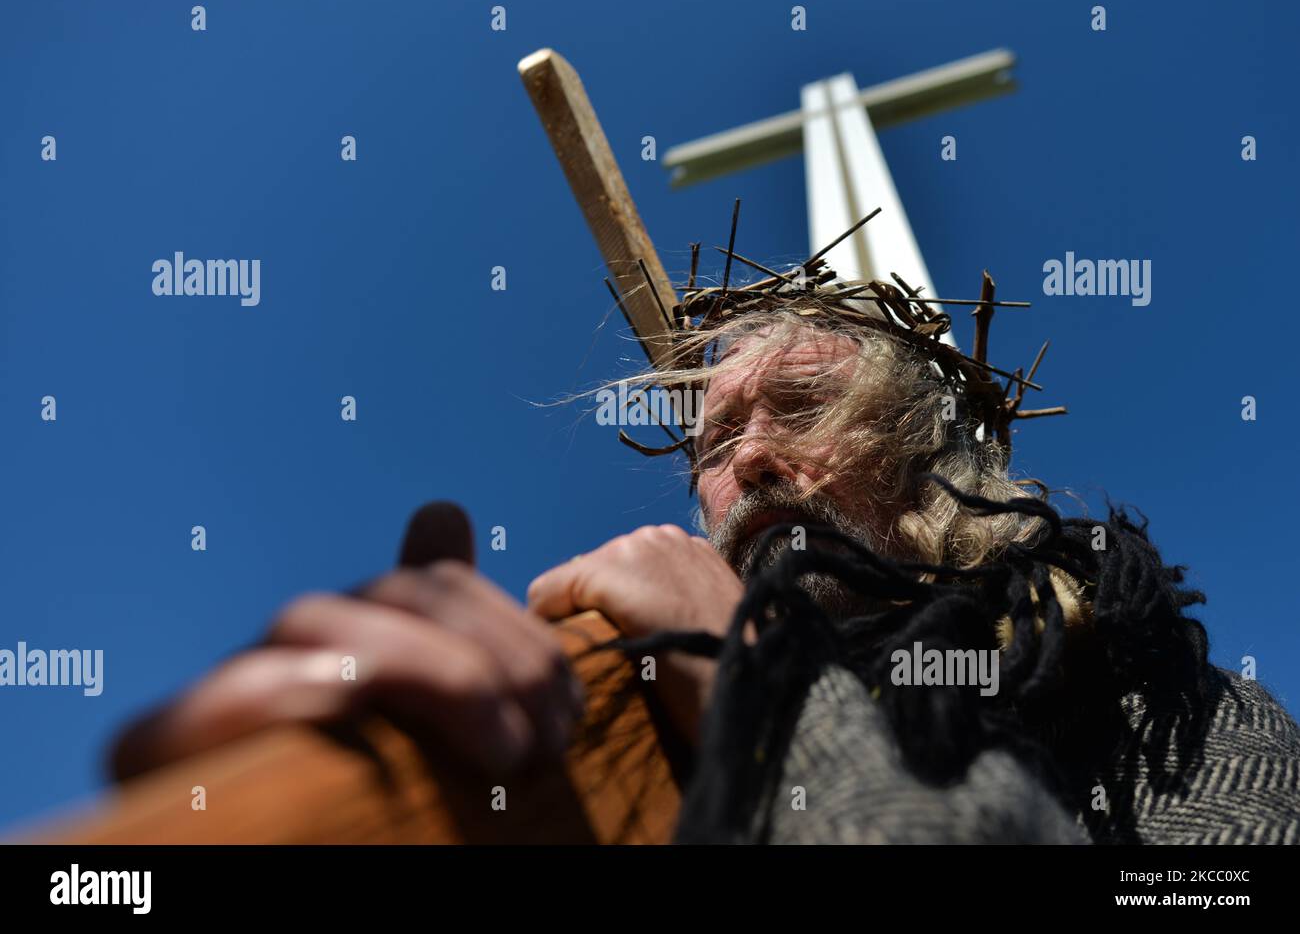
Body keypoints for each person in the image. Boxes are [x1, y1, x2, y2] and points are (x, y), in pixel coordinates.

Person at [111, 295, 1300, 844]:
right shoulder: (629, 689)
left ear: (920, 453)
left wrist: (766, 687)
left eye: (799, 406)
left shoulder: (1158, 700)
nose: (756, 457)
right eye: (716, 441)